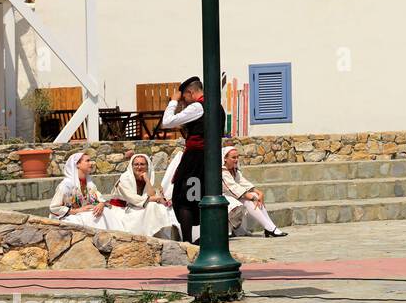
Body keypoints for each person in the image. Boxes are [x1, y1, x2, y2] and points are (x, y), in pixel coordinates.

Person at [161, 76, 223, 244]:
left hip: (195, 160)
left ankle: (187, 241)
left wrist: (173, 102)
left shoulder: (197, 107)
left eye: (184, 98)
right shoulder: (218, 106)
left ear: (190, 92)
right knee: (201, 195)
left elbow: (166, 122)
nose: (185, 101)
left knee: (184, 199)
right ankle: (206, 237)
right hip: (211, 159)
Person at [222, 146, 288, 238]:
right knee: (249, 199)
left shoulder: (234, 169)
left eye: (237, 157)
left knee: (254, 195)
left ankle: (270, 227)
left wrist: (259, 193)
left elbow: (242, 182)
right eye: (233, 157)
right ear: (225, 159)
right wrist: (253, 198)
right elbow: (233, 187)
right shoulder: (222, 171)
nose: (236, 160)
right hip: (223, 198)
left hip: (233, 196)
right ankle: (270, 228)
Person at [110, 153, 180, 239]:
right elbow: (133, 198)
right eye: (136, 164)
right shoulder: (125, 179)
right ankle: (150, 236)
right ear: (131, 166)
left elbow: (152, 195)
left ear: (147, 166)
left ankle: (157, 236)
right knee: (152, 206)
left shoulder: (147, 176)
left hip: (138, 206)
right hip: (122, 209)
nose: (139, 167)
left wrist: (147, 180)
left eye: (142, 164)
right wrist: (154, 198)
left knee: (155, 207)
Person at [49, 152, 119, 231]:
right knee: (91, 216)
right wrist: (77, 210)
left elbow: (100, 199)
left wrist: (101, 204)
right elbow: (54, 208)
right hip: (69, 217)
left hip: (83, 214)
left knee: (104, 211)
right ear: (77, 164)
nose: (91, 163)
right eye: (87, 161)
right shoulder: (66, 186)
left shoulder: (89, 184)